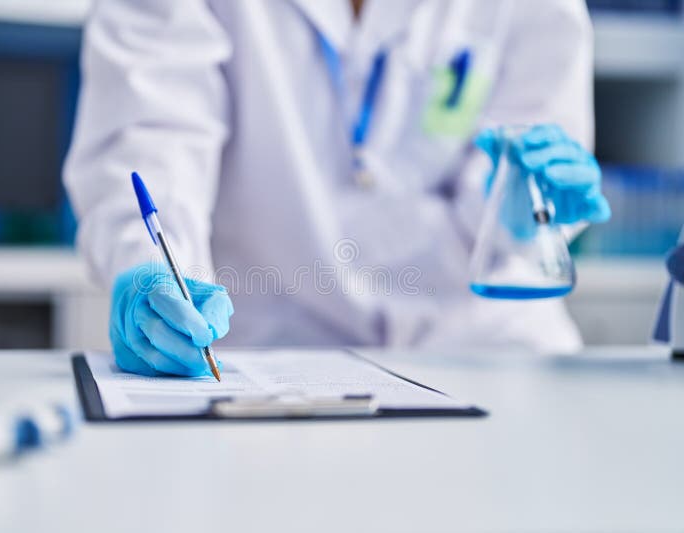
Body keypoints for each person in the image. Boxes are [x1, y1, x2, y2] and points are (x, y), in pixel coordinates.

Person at [64, 0, 610, 377]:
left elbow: (535, 140)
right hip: (269, 356)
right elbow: (151, 136)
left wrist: (523, 207)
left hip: (483, 346)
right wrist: (155, 267)